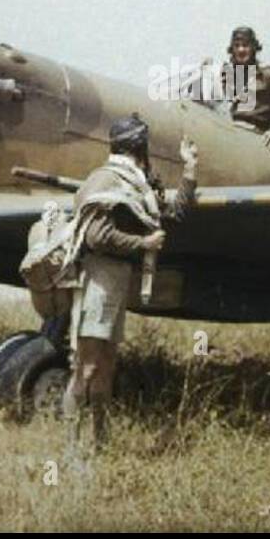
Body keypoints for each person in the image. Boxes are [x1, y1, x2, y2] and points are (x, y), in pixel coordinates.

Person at [62, 114, 198, 456]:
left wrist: (190, 168)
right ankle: (72, 450)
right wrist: (144, 244)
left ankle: (98, 444)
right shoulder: (107, 181)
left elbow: (174, 215)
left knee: (106, 364)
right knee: (88, 366)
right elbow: (97, 236)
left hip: (116, 279)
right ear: (138, 147)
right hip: (100, 277)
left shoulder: (133, 184)